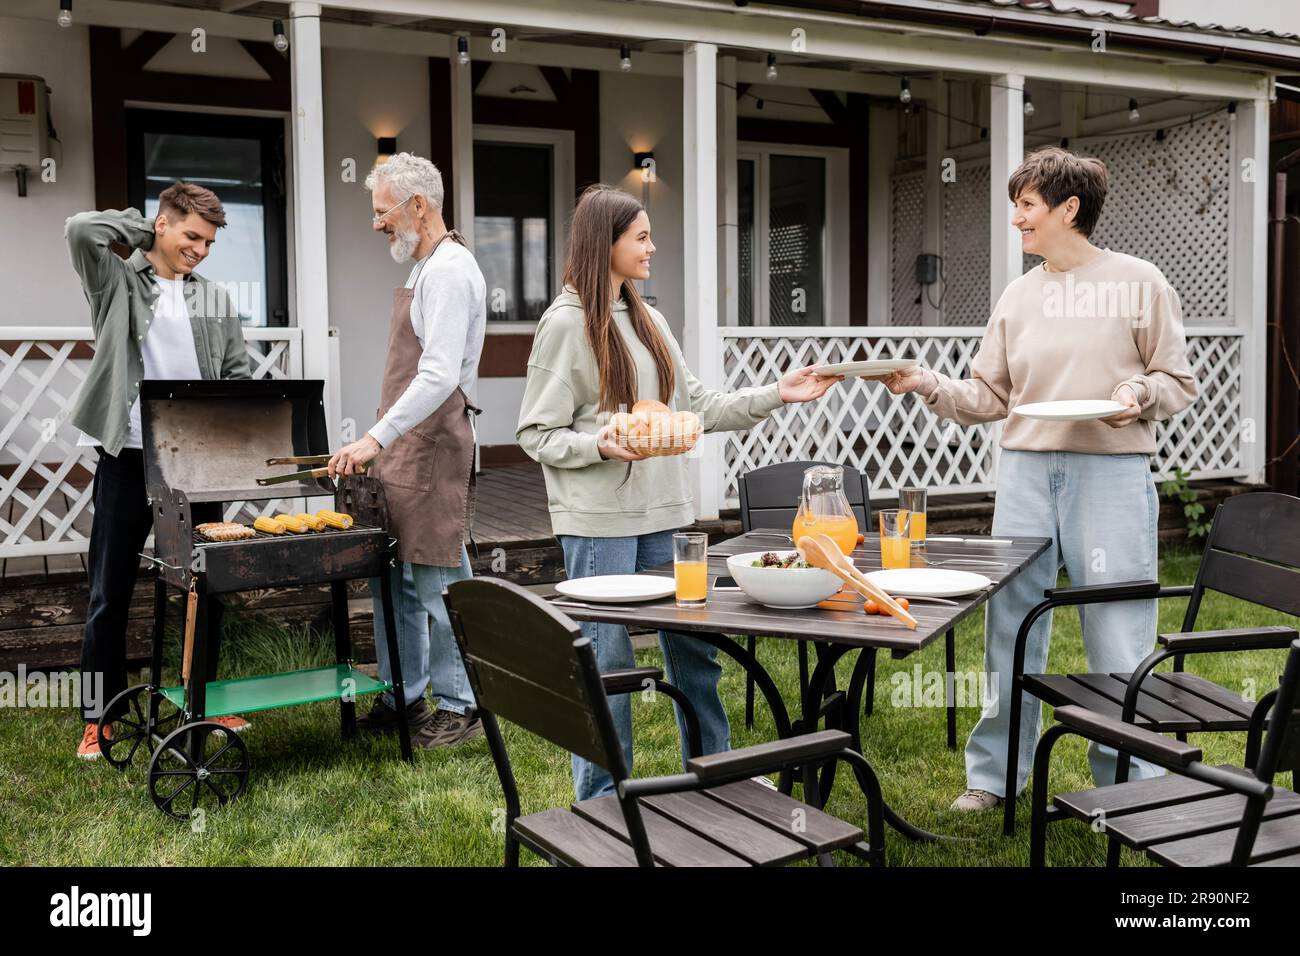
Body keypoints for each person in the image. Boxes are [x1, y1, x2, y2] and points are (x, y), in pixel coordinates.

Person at [877, 147, 1199, 810]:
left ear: (1068, 208)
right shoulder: (1019, 295)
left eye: (1027, 206)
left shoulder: (1139, 282)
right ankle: (994, 777)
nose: (1018, 220)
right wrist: (929, 385)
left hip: (1108, 473)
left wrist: (1140, 392)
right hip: (1024, 471)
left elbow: (1178, 381)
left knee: (1116, 625)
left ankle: (1128, 783)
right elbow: (990, 395)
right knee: (1011, 622)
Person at [516, 184, 843, 800]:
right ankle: (603, 807)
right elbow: (536, 432)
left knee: (695, 654)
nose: (652, 246)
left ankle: (715, 783)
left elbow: (700, 406)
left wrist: (779, 393)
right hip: (600, 523)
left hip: (665, 517)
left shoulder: (648, 317)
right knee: (608, 668)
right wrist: (600, 446)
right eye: (640, 236)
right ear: (603, 242)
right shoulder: (564, 325)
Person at [66, 182, 253, 760]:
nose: (200, 249)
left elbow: (237, 374)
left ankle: (203, 699)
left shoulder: (215, 297)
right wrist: (144, 230)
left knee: (206, 585)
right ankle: (101, 717)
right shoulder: (117, 282)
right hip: (128, 457)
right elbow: (80, 230)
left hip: (197, 464)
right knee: (109, 590)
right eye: (191, 235)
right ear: (163, 225)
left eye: (209, 242)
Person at [327, 152, 487, 749]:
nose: (376, 224)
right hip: (403, 445)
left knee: (440, 578)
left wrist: (374, 438)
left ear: (419, 205)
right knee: (393, 575)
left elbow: (441, 373)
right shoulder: (424, 268)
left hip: (433, 444)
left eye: (382, 211)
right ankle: (403, 694)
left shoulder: (448, 271)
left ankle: (460, 704)